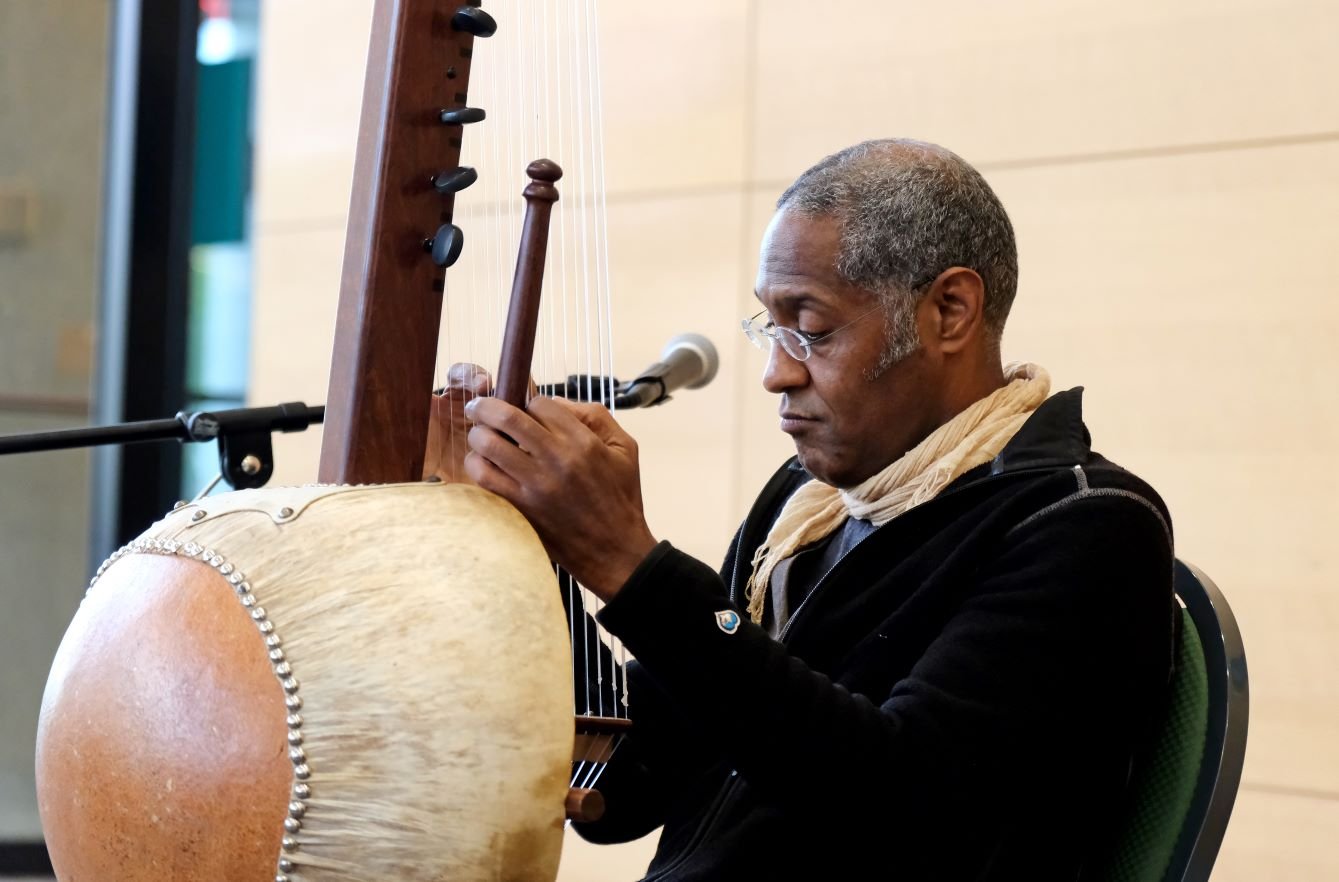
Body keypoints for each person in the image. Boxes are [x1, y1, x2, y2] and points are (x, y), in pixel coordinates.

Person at [438, 138, 1176, 880]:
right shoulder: (808, 506)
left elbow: (904, 810)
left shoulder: (1083, 524)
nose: (775, 372)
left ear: (949, 311)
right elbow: (624, 786)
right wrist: (526, 533)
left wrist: (631, 565)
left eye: (812, 329)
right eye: (771, 327)